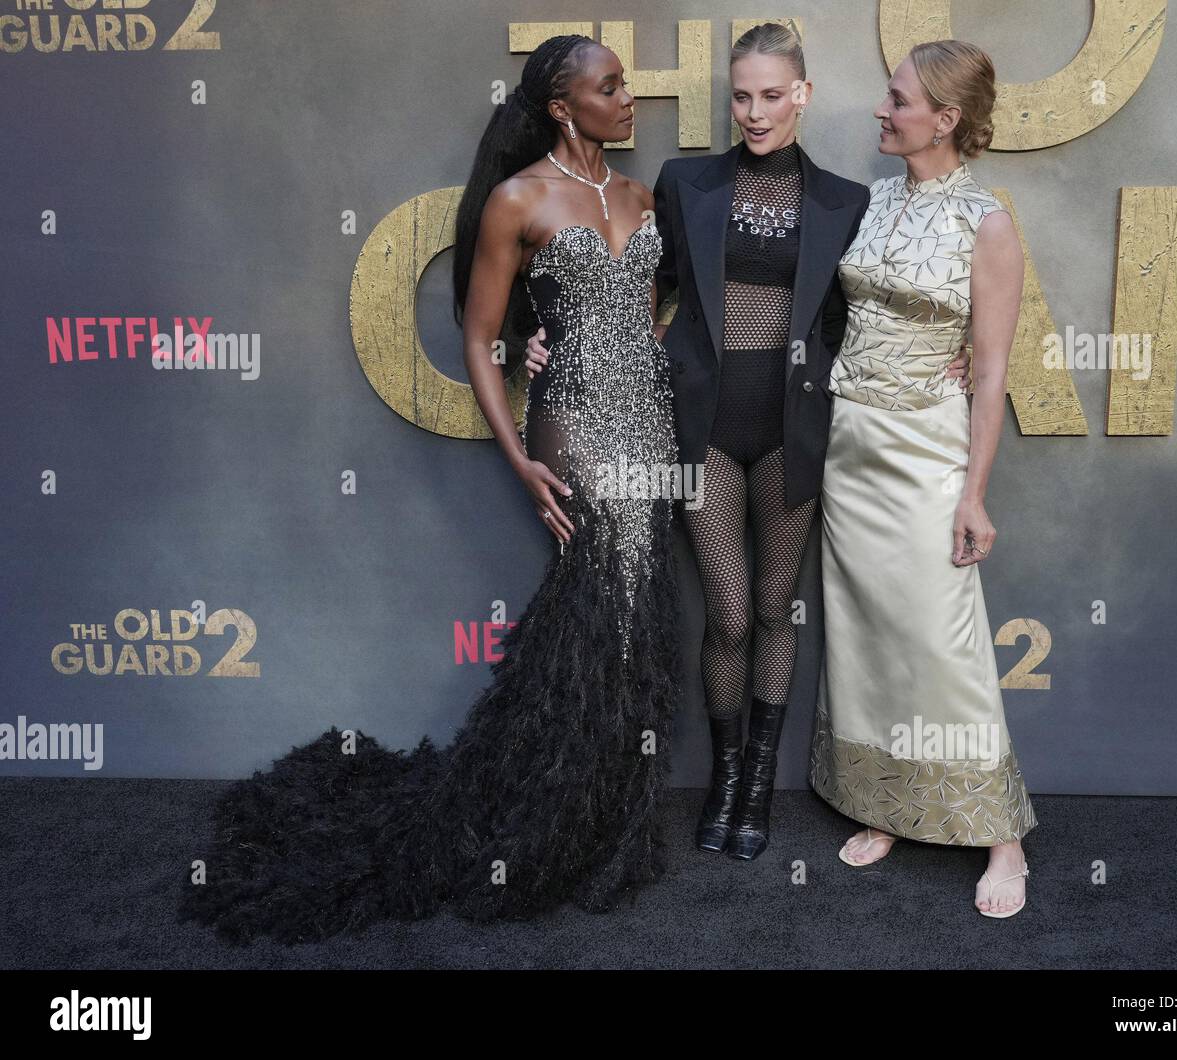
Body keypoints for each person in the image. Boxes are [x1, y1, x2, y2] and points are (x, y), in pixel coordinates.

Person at [178, 34, 682, 944]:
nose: (628, 98)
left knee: (630, 620)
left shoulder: (644, 197)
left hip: (649, 422)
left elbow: (640, 318)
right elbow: (482, 337)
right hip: (571, 423)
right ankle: (553, 823)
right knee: (601, 606)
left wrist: (638, 372)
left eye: (626, 84)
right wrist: (518, 456)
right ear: (563, 107)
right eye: (610, 87)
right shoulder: (517, 199)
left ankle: (606, 813)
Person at [527, 24, 971, 862]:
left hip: (793, 433)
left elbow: (876, 312)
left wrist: (960, 357)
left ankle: (757, 787)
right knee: (728, 613)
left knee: (774, 608)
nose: (755, 111)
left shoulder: (850, 201)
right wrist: (549, 336)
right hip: (703, 431)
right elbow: (622, 285)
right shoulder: (685, 182)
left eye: (772, 95)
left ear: (802, 94)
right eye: (742, 95)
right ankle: (727, 775)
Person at [808, 40, 1036, 917]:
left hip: (925, 454)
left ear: (943, 118)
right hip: (851, 445)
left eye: (897, 100)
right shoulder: (868, 205)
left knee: (946, 640)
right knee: (865, 632)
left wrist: (973, 493)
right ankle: (886, 801)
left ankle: (1001, 836)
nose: (881, 110)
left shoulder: (989, 224)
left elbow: (989, 370)